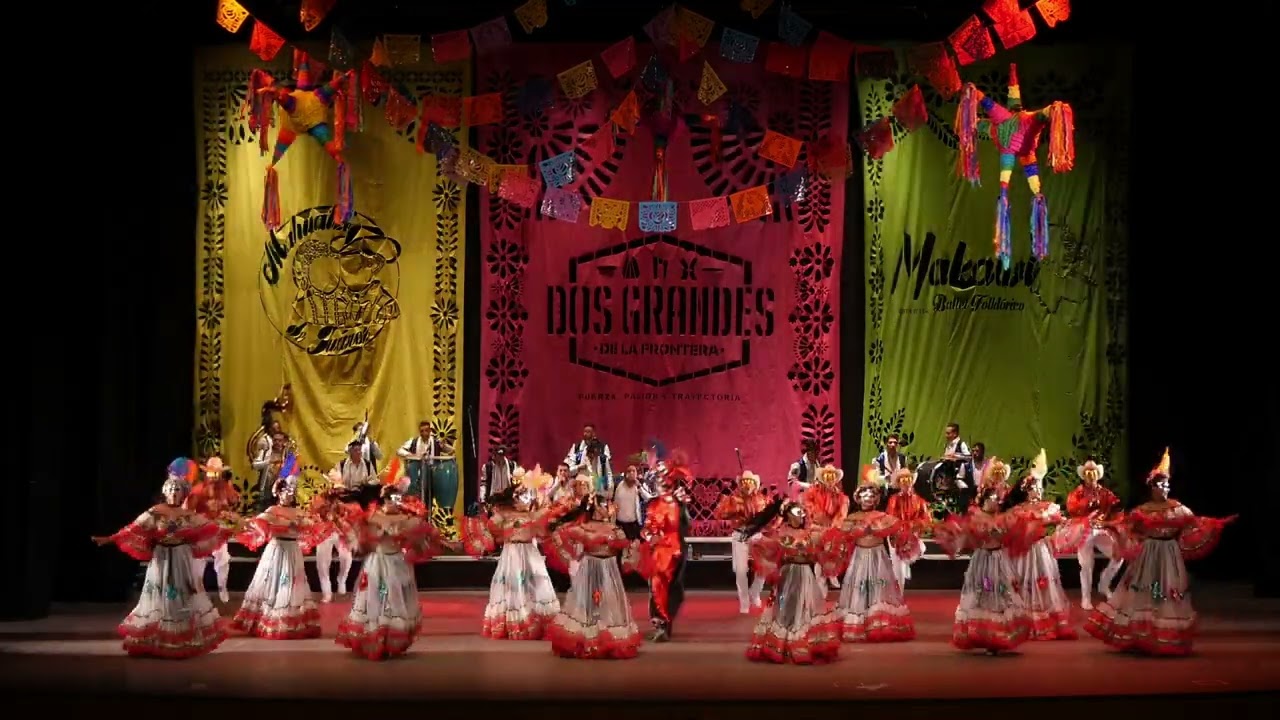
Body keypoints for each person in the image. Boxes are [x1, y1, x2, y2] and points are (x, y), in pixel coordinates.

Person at [1082, 449, 1236, 656]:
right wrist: (1115, 529)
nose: (1165, 488)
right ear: (1152, 488)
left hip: (1169, 554)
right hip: (1150, 554)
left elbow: (1193, 524)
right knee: (1150, 586)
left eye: (1167, 485)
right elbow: (1129, 528)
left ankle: (1163, 629)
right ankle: (1145, 629)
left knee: (1167, 587)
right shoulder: (1142, 511)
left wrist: (1215, 524)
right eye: (1161, 485)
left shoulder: (1178, 508)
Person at [90, 458, 232, 658]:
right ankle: (156, 637)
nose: (174, 493)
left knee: (183, 593)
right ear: (165, 491)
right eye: (171, 490)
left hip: (181, 558)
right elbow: (133, 528)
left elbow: (210, 528)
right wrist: (110, 539)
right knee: (160, 593)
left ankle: (181, 638)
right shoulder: (155, 513)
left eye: (178, 490)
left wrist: (233, 529)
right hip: (161, 558)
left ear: (183, 493)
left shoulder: (188, 515)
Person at [335, 486, 460, 660]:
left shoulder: (407, 519)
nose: (393, 502)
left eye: (397, 498)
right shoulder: (373, 517)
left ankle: (388, 638)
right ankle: (375, 637)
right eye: (390, 498)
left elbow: (428, 533)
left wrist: (448, 543)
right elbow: (359, 536)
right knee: (375, 598)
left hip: (397, 563)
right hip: (377, 563)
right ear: (383, 500)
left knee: (395, 598)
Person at [933, 485, 1042, 654]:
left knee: (1001, 593)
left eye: (998, 498)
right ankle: (982, 633)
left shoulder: (1003, 518)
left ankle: (999, 635)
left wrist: (1001, 532)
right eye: (992, 498)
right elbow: (968, 540)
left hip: (999, 560)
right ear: (984, 499)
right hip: (982, 561)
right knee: (982, 592)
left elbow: (1009, 537)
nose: (996, 501)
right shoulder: (975, 518)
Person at [230, 456, 325, 639]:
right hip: (277, 551)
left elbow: (311, 526)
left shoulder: (299, 512)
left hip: (292, 552)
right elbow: (257, 522)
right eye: (286, 491)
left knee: (291, 584)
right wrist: (238, 520)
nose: (289, 494)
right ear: (279, 492)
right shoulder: (272, 511)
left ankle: (290, 620)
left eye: (292, 491)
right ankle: (271, 620)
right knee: (275, 583)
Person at [458, 477, 564, 640]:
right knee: (514, 586)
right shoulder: (503, 514)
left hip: (530, 552)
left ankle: (534, 619)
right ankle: (516, 622)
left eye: (527, 495)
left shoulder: (533, 514)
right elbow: (491, 529)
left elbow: (549, 522)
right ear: (513, 498)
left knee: (534, 584)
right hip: (512, 553)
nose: (525, 498)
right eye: (521, 495)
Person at [738, 498, 842, 664]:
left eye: (802, 513)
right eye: (796, 513)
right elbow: (768, 547)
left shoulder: (811, 533)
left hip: (806, 574)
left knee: (807, 606)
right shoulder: (780, 533)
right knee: (786, 606)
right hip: (788, 574)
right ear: (787, 515)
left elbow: (824, 547)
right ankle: (783, 642)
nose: (800, 516)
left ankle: (805, 640)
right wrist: (756, 540)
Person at [826, 466, 921, 643]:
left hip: (878, 557)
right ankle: (860, 621)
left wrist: (904, 543)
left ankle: (877, 622)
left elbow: (897, 535)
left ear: (876, 499)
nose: (868, 498)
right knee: (860, 588)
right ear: (858, 498)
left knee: (879, 586)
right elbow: (841, 540)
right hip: (860, 558)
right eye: (865, 495)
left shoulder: (883, 517)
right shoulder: (851, 519)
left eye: (872, 496)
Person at [544, 494, 644, 659]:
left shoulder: (614, 529)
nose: (608, 508)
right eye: (604, 505)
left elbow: (626, 550)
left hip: (609, 569)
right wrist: (571, 557)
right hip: (590, 567)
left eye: (607, 505)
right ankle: (588, 637)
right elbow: (560, 535)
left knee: (607, 602)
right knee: (589, 602)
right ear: (595, 508)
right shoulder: (585, 528)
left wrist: (633, 552)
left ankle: (604, 635)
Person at [1009, 449, 1076, 640]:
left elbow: (1057, 520)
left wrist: (1059, 523)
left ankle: (1044, 621)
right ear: (1026, 490)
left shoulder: (1047, 507)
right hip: (1024, 551)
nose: (1038, 490)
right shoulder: (1019, 510)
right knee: (1023, 583)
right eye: (1034, 487)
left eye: (1039, 486)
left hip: (1040, 549)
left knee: (1042, 583)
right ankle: (1023, 621)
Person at [640, 452, 692, 642]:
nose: (662, 485)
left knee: (671, 589)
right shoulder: (653, 505)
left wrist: (683, 506)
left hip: (675, 551)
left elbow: (686, 525)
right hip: (658, 552)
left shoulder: (679, 504)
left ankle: (664, 622)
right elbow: (646, 528)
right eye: (659, 482)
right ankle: (661, 624)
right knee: (656, 586)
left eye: (665, 481)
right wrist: (650, 536)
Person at [1065, 458, 1125, 608]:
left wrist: (1108, 522)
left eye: (1093, 472)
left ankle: (1104, 584)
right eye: (1087, 473)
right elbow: (1072, 508)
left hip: (1101, 529)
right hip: (1083, 530)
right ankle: (1086, 597)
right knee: (1086, 564)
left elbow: (1117, 508)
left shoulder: (1105, 493)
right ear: (1083, 476)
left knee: (1119, 555)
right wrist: (1087, 507)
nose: (1091, 476)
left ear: (1098, 474)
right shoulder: (1077, 493)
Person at [713, 470, 770, 613]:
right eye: (744, 482)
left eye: (750, 482)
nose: (747, 485)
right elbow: (720, 513)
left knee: (764, 567)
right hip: (740, 534)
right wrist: (733, 509)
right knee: (740, 570)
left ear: (755, 484)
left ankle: (755, 592)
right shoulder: (733, 499)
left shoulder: (762, 499)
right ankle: (744, 603)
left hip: (756, 535)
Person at [185, 456, 240, 603]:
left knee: (223, 558)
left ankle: (222, 587)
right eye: (211, 473)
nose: (214, 476)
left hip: (218, 531)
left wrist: (228, 483)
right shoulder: (198, 490)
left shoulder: (225, 488)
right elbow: (187, 511)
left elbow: (234, 502)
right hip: (202, 531)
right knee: (198, 560)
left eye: (217, 473)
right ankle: (198, 590)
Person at [800, 464, 849, 590]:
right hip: (816, 528)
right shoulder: (813, 492)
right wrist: (818, 516)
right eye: (827, 476)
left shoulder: (840, 496)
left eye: (832, 476)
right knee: (819, 556)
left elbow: (841, 513)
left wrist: (833, 527)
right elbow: (807, 504)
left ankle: (830, 574)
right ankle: (821, 585)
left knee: (832, 549)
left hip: (831, 529)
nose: (830, 479)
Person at [884, 468, 930, 592]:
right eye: (902, 480)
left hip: (912, 536)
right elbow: (890, 518)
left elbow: (926, 518)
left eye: (908, 479)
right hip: (896, 536)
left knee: (921, 549)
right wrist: (899, 532)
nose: (905, 483)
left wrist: (914, 527)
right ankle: (899, 594)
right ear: (899, 483)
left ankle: (906, 564)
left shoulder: (919, 500)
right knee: (897, 568)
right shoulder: (894, 499)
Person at [564, 423, 613, 491]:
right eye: (584, 431)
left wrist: (608, 491)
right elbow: (567, 468)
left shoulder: (603, 448)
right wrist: (579, 467)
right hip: (579, 485)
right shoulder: (577, 448)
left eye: (588, 432)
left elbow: (608, 473)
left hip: (598, 485)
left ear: (594, 434)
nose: (585, 434)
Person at [611, 465, 646, 541]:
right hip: (620, 523)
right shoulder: (620, 486)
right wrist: (613, 523)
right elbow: (615, 504)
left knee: (633, 548)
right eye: (629, 471)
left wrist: (639, 486)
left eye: (634, 471)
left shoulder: (638, 486)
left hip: (634, 523)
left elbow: (647, 498)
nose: (631, 473)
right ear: (625, 474)